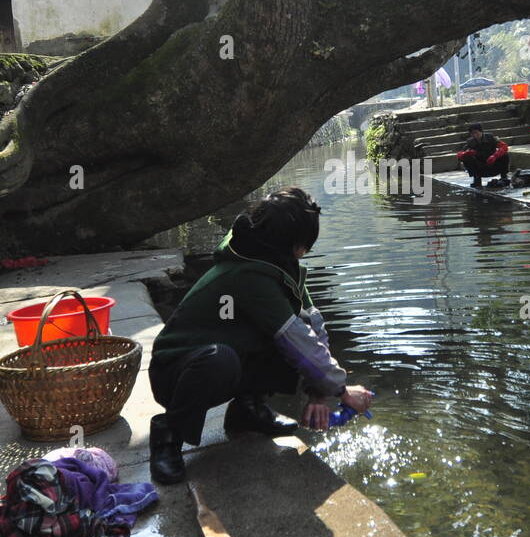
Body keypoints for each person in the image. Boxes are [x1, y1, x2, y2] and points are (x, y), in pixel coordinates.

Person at [146, 187, 373, 484]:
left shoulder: (278, 265)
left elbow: (311, 327)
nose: (304, 252)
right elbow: (297, 339)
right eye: (304, 244)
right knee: (227, 358)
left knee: (286, 339)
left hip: (214, 359)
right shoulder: (249, 275)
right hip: (175, 371)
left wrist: (320, 392)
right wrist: (343, 392)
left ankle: (247, 410)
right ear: (294, 243)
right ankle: (167, 434)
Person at [457, 121, 510, 188]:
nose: (475, 135)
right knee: (467, 158)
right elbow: (459, 155)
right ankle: (477, 180)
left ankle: (504, 176)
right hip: (480, 167)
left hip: (494, 164)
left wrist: (495, 156)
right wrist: (466, 153)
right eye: (472, 133)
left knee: (505, 154)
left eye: (476, 132)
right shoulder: (470, 142)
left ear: (481, 131)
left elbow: (504, 147)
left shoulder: (491, 138)